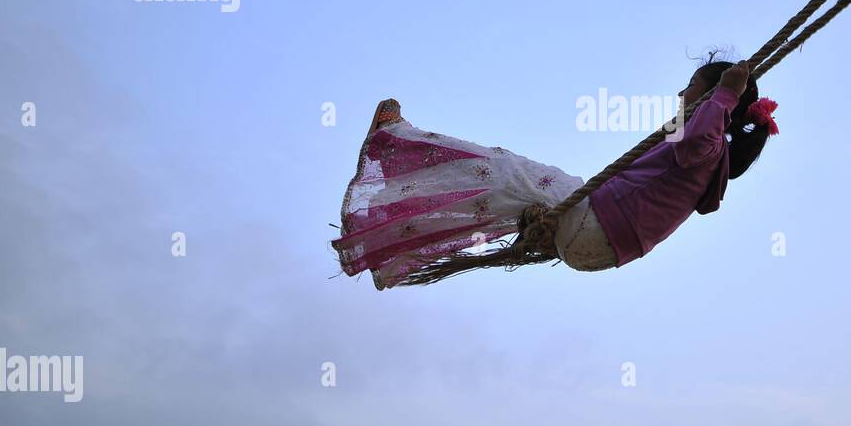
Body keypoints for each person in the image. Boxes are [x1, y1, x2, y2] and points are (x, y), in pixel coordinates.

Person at [331, 56, 778, 288]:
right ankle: (394, 250)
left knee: (502, 169)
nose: (682, 91)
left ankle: (395, 143)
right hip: (595, 250)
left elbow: (699, 135)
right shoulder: (708, 164)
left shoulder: (706, 145)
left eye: (693, 86)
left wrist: (723, 95)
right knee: (501, 195)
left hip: (595, 220)